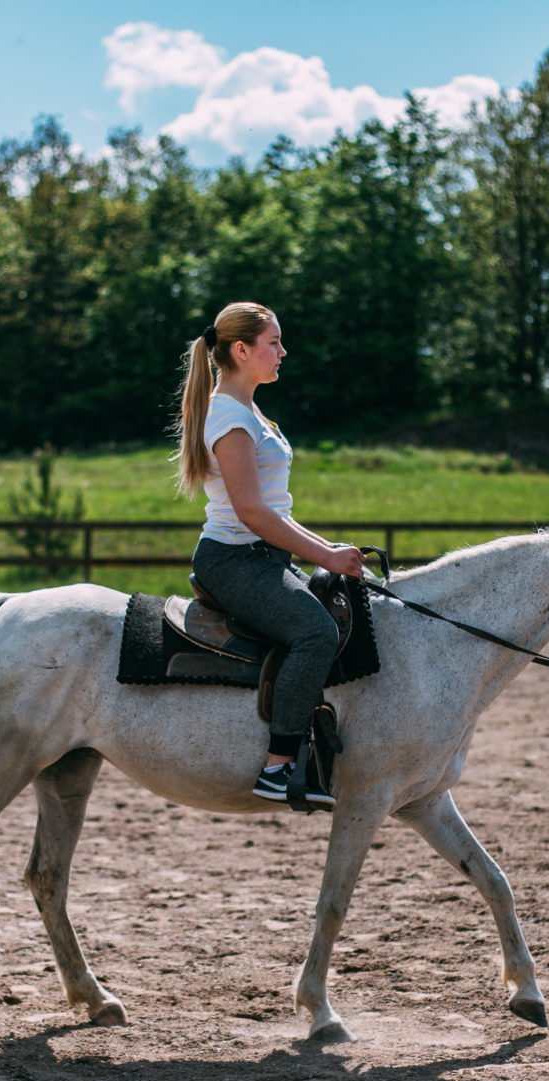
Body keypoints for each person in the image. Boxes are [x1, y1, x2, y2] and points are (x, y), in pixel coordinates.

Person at [174, 302, 364, 808]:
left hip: (263, 556)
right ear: (241, 349)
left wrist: (329, 552)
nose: (283, 352)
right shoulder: (230, 418)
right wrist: (324, 556)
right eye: (273, 343)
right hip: (235, 561)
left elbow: (276, 509)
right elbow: (253, 513)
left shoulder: (249, 410)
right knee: (314, 631)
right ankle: (278, 767)